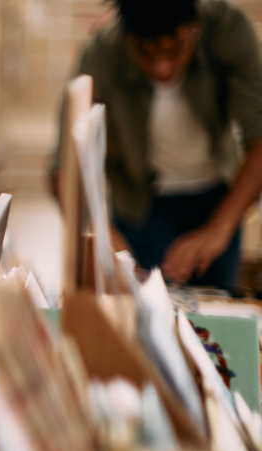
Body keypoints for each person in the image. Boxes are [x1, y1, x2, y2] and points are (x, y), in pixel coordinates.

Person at [51, 0, 262, 291]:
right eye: (146, 54)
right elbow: (63, 167)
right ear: (127, 37)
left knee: (215, 313)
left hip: (216, 198)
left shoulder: (229, 29)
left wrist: (219, 230)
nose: (162, 68)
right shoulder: (100, 54)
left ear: (194, 27)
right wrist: (103, 239)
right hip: (140, 206)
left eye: (174, 51)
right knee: (140, 311)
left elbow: (259, 141)